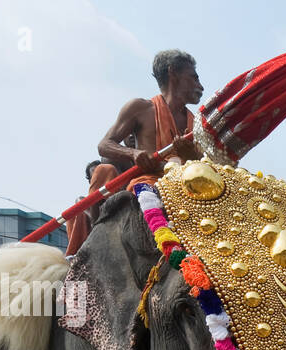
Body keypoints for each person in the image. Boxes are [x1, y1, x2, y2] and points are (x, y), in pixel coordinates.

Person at [66, 50, 204, 255]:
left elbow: (205, 165)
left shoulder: (197, 123)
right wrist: (133, 154)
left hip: (186, 189)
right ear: (173, 73)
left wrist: (192, 155)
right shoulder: (141, 108)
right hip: (148, 186)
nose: (200, 86)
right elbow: (104, 144)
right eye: (194, 77)